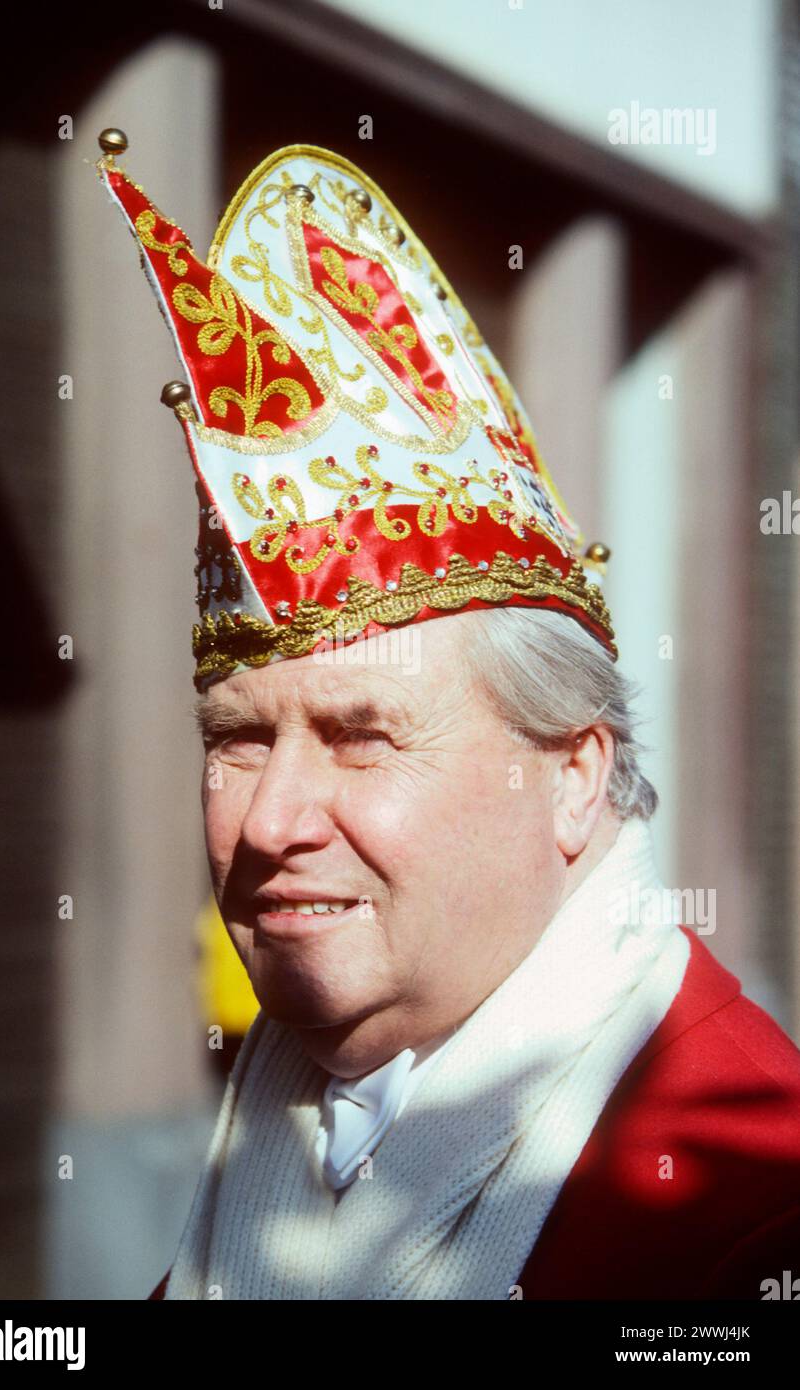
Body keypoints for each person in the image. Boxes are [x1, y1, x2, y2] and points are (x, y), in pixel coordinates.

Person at [95, 130, 800, 1300]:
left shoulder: (748, 1214)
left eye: (360, 735)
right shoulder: (300, 1089)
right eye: (237, 738)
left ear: (573, 775)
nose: (269, 820)